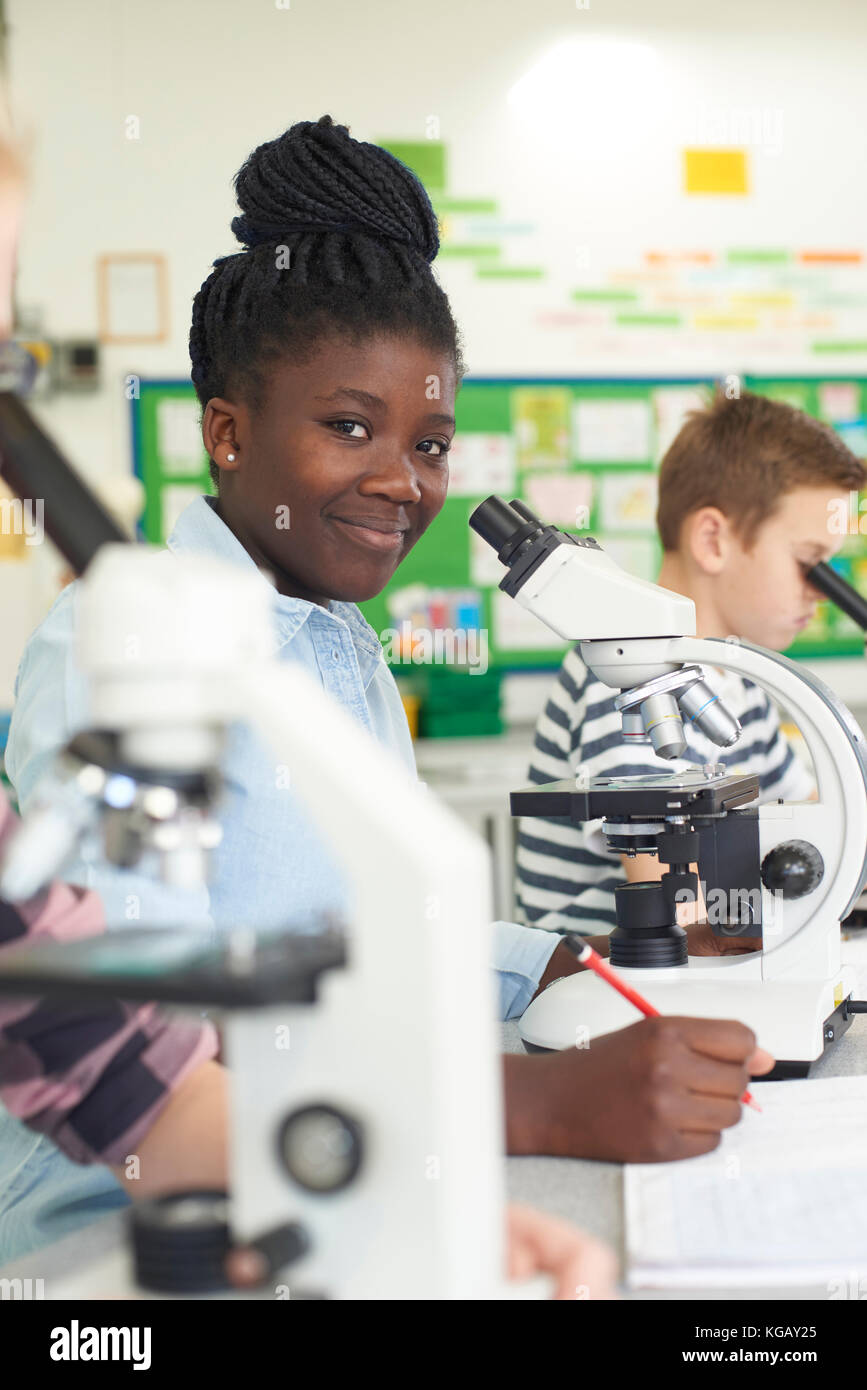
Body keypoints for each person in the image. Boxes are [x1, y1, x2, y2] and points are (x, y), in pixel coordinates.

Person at [4, 118, 771, 1255]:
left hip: (327, 1176)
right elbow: (137, 1074)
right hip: (120, 1228)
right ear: (226, 430)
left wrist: (557, 965)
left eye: (431, 443)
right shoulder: (122, 655)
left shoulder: (338, 639)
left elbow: (364, 929)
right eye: (350, 427)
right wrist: (543, 1105)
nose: (401, 481)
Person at [515, 389, 866, 936]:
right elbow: (674, 894)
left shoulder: (742, 680)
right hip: (606, 987)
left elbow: (812, 818)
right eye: (810, 563)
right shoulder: (625, 671)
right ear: (713, 540)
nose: (822, 593)